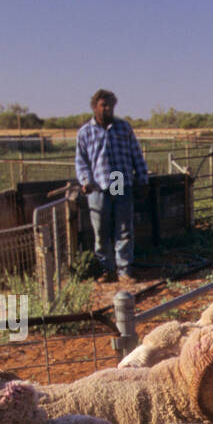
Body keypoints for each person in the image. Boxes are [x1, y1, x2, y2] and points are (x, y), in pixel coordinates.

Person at [75, 89, 149, 282]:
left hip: (118, 179)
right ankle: (106, 269)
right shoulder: (86, 132)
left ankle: (124, 269)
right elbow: (81, 162)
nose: (108, 109)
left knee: (123, 227)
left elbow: (136, 154)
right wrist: (86, 181)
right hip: (98, 184)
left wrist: (142, 179)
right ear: (94, 107)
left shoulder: (123, 128)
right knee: (101, 229)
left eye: (111, 105)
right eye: (103, 105)